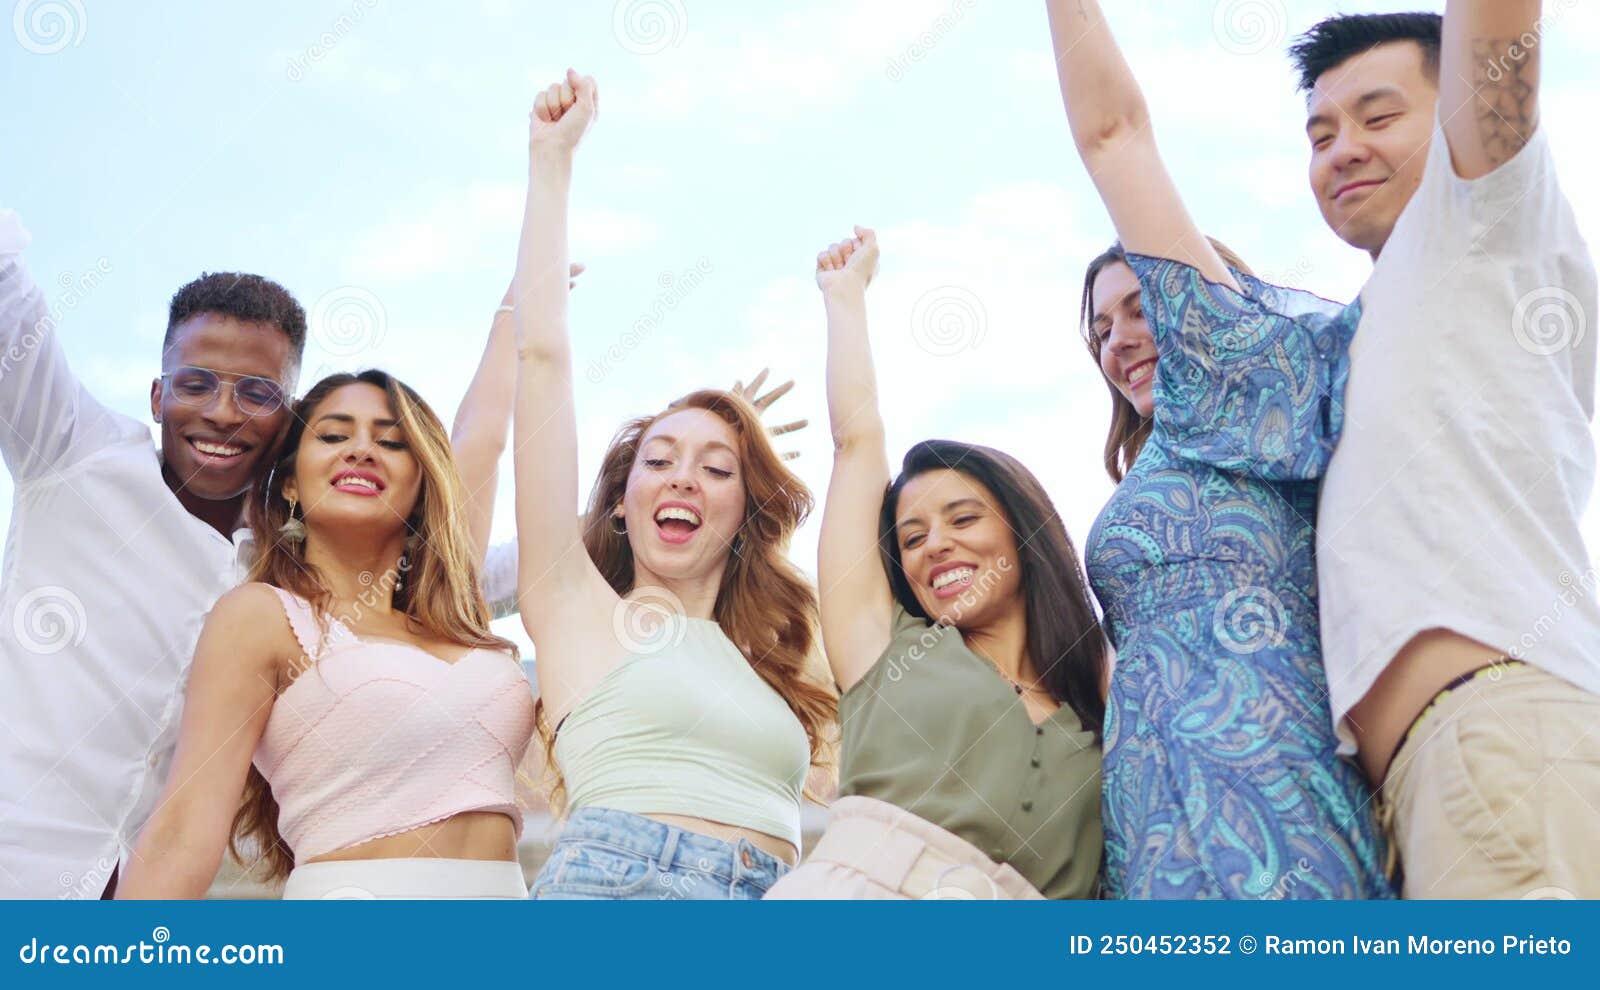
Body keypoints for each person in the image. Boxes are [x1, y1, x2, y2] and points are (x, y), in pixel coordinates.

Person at [1046, 0, 1391, 898]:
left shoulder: (1244, 390)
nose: (1119, 339)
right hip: (1145, 814)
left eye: (1139, 307)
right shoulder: (1145, 478)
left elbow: (1115, 135)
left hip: (1278, 777)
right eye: (1098, 331)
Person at [1291, 5, 1600, 897]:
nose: (1343, 148)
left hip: (1497, 741)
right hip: (1424, 785)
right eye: (1321, 133)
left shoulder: (1476, 213)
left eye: (1379, 117)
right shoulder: (1376, 318)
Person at [509, 71, 835, 900]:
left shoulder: (774, 657)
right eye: (658, 461)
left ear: (742, 513)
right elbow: (542, 360)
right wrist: (552, 163)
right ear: (621, 501)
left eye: (715, 468)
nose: (682, 478)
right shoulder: (575, 606)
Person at [765, 227, 1106, 900]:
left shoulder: (1100, 694)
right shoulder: (885, 646)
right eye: (912, 537)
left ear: (1023, 533)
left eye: (964, 518)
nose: (935, 546)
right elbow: (856, 444)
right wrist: (845, 298)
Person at [117, 370, 535, 899]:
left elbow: (482, 438)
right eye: (334, 435)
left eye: (391, 441)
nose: (361, 450)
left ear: (423, 480)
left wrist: (516, 310)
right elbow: (182, 832)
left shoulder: (456, 614)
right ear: (289, 481)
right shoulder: (259, 615)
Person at [0, 210, 305, 898]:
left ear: (286, 418)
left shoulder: (285, 561)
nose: (223, 413)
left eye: (256, 392)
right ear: (159, 395)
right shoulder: (72, 452)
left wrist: (605, 534)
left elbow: (445, 581)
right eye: (196, 383)